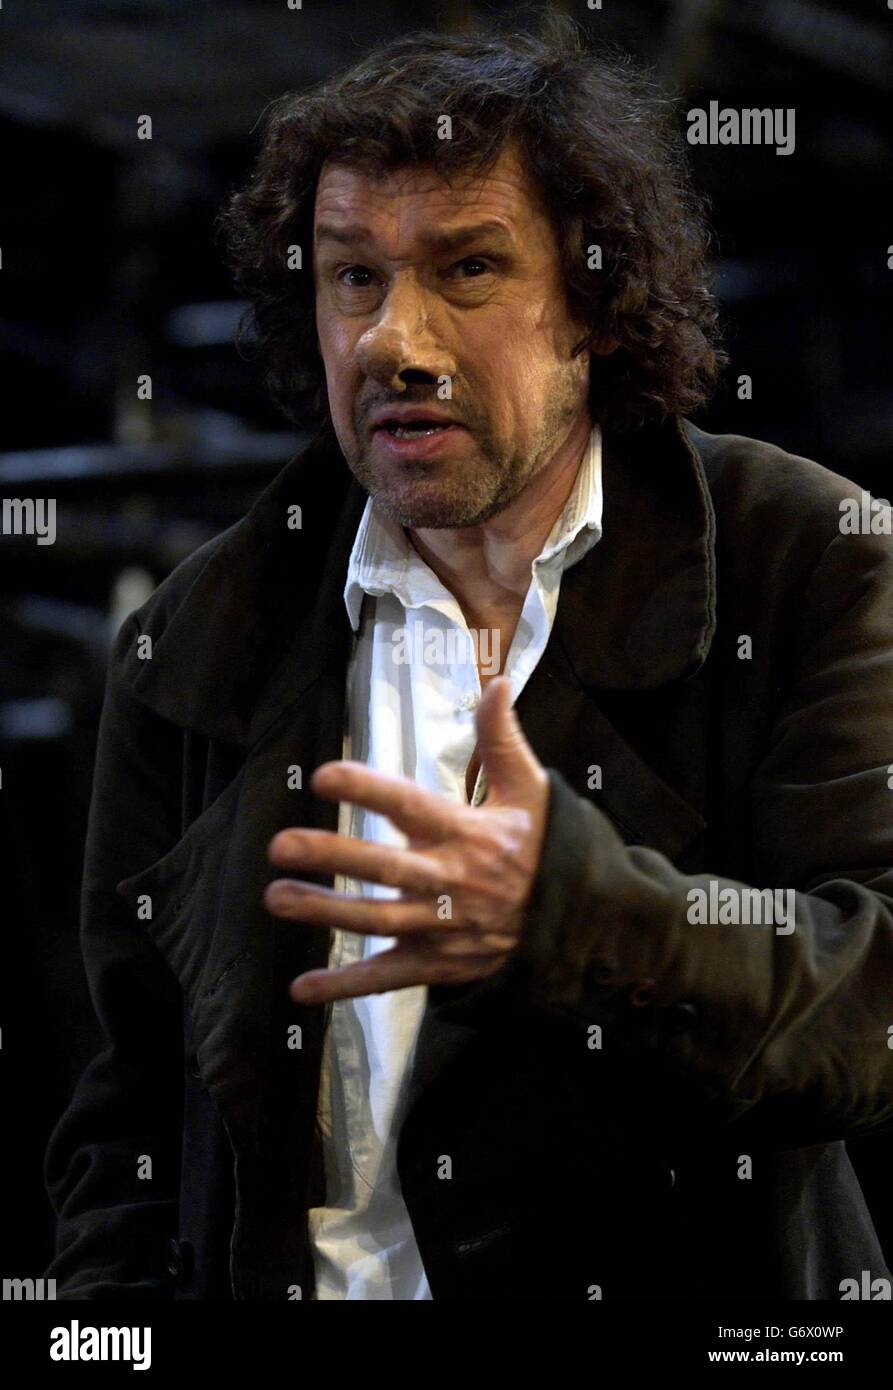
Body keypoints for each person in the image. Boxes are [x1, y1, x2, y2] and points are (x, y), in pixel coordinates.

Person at [45, 19, 893, 1301]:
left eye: (468, 267)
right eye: (353, 277)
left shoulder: (810, 558)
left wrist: (573, 913)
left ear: (594, 304)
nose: (394, 337)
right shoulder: (196, 635)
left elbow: (870, 1004)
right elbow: (125, 1109)